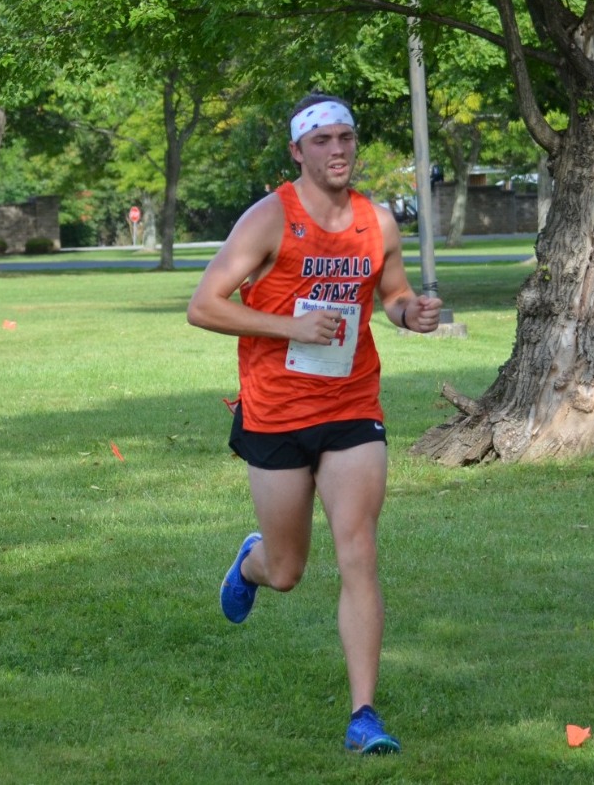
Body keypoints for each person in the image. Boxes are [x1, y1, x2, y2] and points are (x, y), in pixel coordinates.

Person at [186, 92, 442, 754]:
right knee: (290, 568)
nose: (337, 150)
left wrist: (409, 311)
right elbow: (205, 306)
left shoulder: (375, 221)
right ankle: (251, 564)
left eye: (346, 138)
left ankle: (364, 716)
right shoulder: (269, 219)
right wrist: (290, 326)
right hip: (275, 413)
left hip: (352, 405)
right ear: (297, 151)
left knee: (357, 550)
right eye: (322, 140)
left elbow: (390, 291)